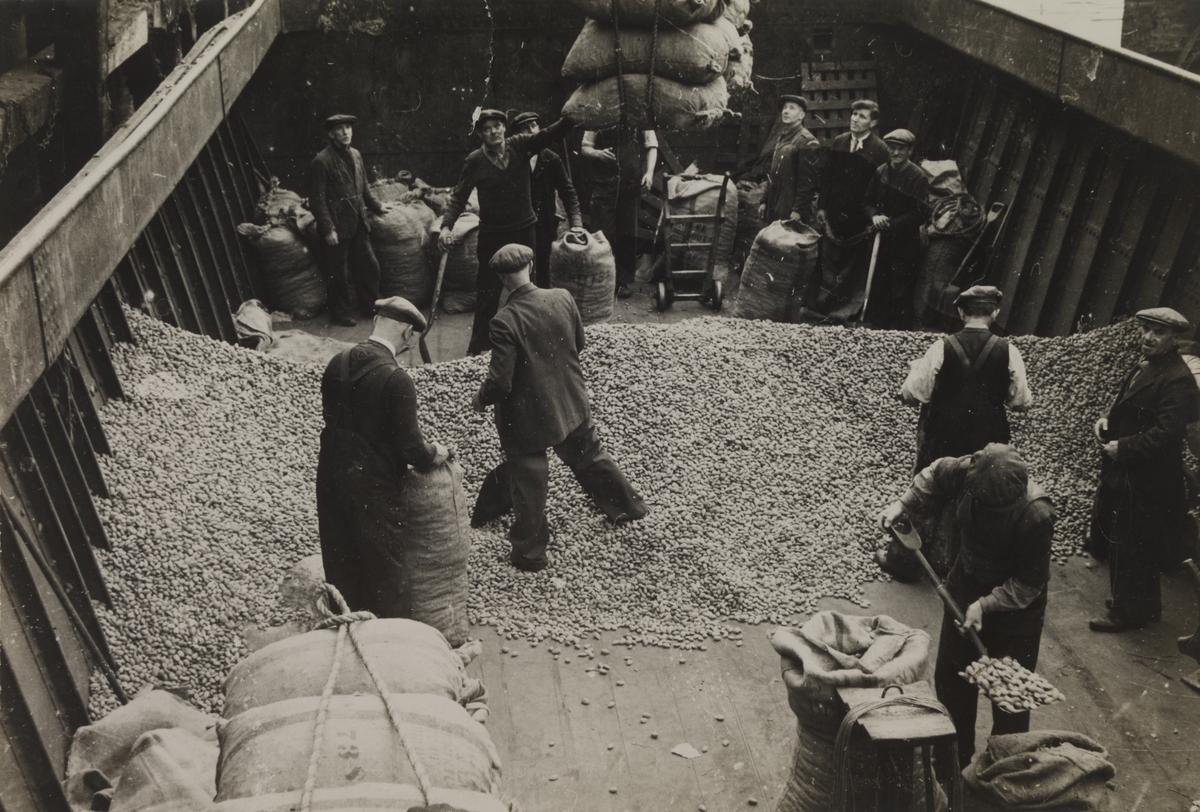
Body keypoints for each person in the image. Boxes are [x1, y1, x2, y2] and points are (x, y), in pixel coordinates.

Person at [469, 244, 648, 571]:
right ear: (532, 266)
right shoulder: (562, 297)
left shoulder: (504, 321)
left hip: (528, 418)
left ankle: (530, 554)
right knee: (590, 456)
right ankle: (628, 507)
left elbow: (500, 382)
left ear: (501, 279)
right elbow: (578, 343)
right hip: (570, 399)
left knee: (530, 478)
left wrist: (480, 399)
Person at [880, 444, 1055, 766]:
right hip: (966, 583)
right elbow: (932, 476)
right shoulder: (968, 471)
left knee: (1009, 698)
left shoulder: (1036, 515)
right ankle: (952, 763)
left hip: (1015, 613)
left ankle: (1006, 771)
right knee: (953, 681)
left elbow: (1029, 585)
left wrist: (985, 606)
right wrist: (902, 505)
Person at [875, 285, 1034, 581]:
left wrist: (911, 386)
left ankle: (904, 562)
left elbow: (915, 392)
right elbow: (1021, 401)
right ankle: (963, 565)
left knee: (927, 489)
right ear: (995, 313)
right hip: (989, 440)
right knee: (977, 496)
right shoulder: (1009, 351)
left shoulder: (941, 347)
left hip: (942, 434)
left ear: (961, 312)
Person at [316, 297, 452, 615]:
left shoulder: (339, 361)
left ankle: (347, 626)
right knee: (385, 566)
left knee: (341, 556)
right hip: (372, 485)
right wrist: (438, 452)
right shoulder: (396, 379)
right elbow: (413, 450)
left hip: (331, 477)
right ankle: (388, 636)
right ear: (406, 332)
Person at [1087, 307, 1200, 632]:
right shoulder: (1148, 366)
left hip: (1148, 477)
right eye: (1146, 330)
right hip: (1134, 472)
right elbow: (1130, 408)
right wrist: (1107, 421)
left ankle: (1126, 613)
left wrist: (1123, 448)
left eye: (1158, 333)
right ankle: (1146, 606)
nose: (1148, 337)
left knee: (1132, 543)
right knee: (1138, 543)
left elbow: (1166, 434)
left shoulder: (1178, 381)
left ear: (1174, 338)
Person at [439, 109, 578, 356]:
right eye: (487, 128)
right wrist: (446, 227)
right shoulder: (475, 161)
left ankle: (534, 343)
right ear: (480, 134)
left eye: (497, 126)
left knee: (529, 287)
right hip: (493, 235)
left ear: (504, 128)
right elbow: (458, 197)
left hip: (524, 230)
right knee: (487, 293)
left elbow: (547, 135)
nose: (493, 131)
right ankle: (478, 348)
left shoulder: (521, 145)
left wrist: (570, 117)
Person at [807, 99, 890, 321]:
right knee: (828, 260)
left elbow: (880, 189)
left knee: (851, 266)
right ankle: (821, 307)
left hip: (858, 219)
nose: (855, 119)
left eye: (862, 116)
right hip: (834, 214)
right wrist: (823, 207)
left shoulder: (880, 151)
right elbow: (828, 178)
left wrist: (873, 215)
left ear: (872, 123)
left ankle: (843, 312)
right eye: (853, 114)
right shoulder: (840, 142)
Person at [310, 113, 386, 327]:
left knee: (370, 266)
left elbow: (364, 188)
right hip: (337, 225)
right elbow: (318, 200)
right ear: (331, 134)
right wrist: (328, 229)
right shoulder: (321, 161)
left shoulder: (356, 154)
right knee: (339, 273)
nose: (346, 132)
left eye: (348, 128)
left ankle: (371, 306)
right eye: (340, 129)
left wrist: (378, 206)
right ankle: (340, 313)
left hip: (358, 221)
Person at [862, 128, 931, 328]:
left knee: (899, 288)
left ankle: (898, 331)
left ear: (909, 151)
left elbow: (920, 213)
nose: (896, 152)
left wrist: (890, 224)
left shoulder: (917, 177)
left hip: (904, 243)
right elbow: (867, 201)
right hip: (880, 240)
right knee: (877, 283)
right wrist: (874, 216)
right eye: (892, 148)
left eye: (901, 149)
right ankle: (875, 327)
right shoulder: (881, 171)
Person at [581, 125, 659, 299]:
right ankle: (601, 282)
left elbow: (652, 145)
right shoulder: (598, 115)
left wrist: (649, 173)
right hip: (603, 184)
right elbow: (585, 147)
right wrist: (598, 154)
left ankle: (622, 282)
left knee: (627, 233)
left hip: (629, 185)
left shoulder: (638, 117)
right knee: (602, 232)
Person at [509, 111, 585, 288]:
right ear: (516, 136)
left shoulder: (551, 159)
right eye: (524, 128)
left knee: (543, 271)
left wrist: (576, 223)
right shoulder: (511, 159)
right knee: (520, 272)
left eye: (534, 125)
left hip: (545, 223)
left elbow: (568, 192)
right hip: (519, 226)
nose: (532, 131)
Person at [762, 95, 822, 225]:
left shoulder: (807, 141)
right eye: (784, 108)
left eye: (791, 108)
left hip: (790, 208)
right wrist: (764, 201)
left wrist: (798, 210)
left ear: (801, 115)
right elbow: (773, 173)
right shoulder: (781, 138)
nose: (786, 111)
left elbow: (807, 183)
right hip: (775, 204)